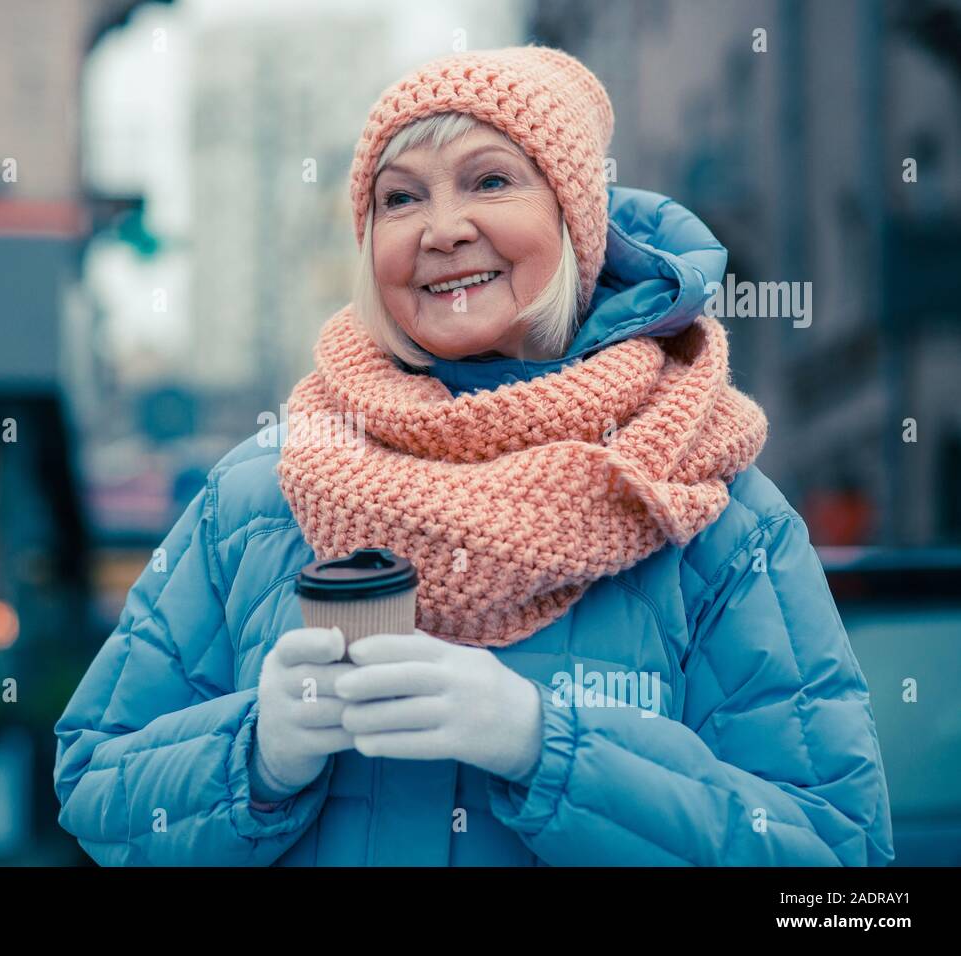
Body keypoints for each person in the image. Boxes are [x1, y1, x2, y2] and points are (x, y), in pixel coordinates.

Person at [53, 45, 894, 866]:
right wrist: (255, 757)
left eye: (492, 181)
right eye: (400, 199)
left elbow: (833, 855)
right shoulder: (257, 494)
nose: (443, 229)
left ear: (574, 221)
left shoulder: (708, 509)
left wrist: (545, 746)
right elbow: (97, 783)